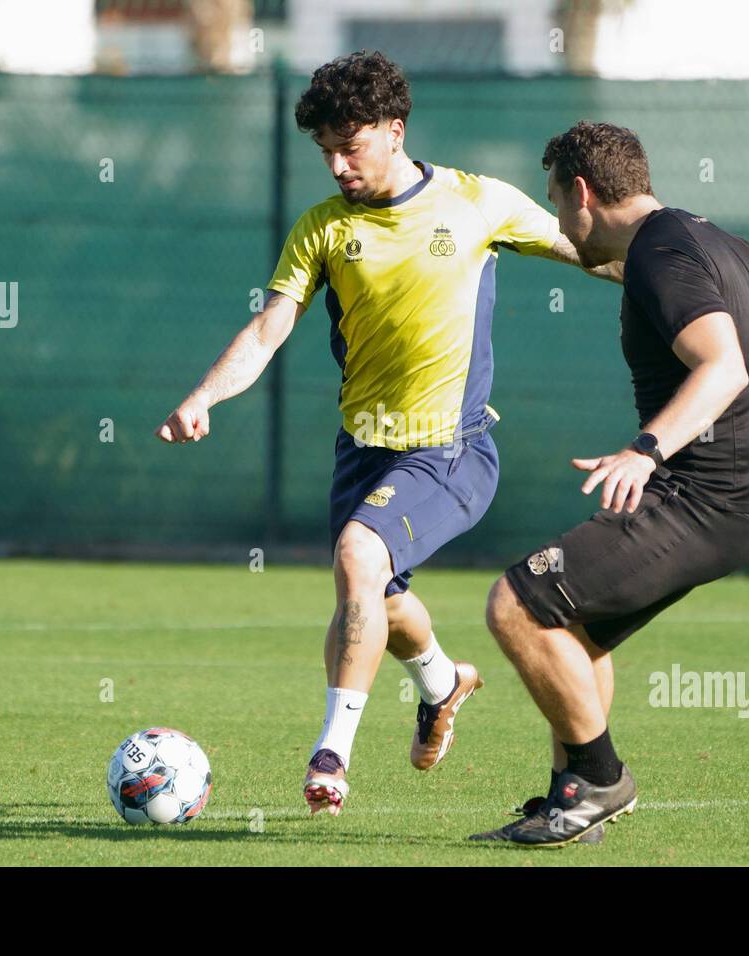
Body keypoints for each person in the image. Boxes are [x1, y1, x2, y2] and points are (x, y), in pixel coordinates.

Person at [154, 55, 621, 817]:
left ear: (394, 130)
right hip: (362, 450)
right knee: (381, 597)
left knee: (357, 560)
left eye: (351, 146)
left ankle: (330, 753)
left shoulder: (476, 202)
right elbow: (271, 329)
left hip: (452, 448)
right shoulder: (323, 229)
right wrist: (205, 395)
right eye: (325, 152)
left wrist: (690, 279)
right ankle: (442, 684)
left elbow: (596, 252)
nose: (337, 165)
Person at [470, 121, 749, 847]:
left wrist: (647, 450)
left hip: (704, 500)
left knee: (517, 606)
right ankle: (573, 802)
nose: (561, 219)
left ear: (584, 192)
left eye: (557, 202)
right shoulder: (705, 240)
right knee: (574, 632)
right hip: (742, 503)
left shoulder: (662, 258)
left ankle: (599, 778)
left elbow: (724, 367)